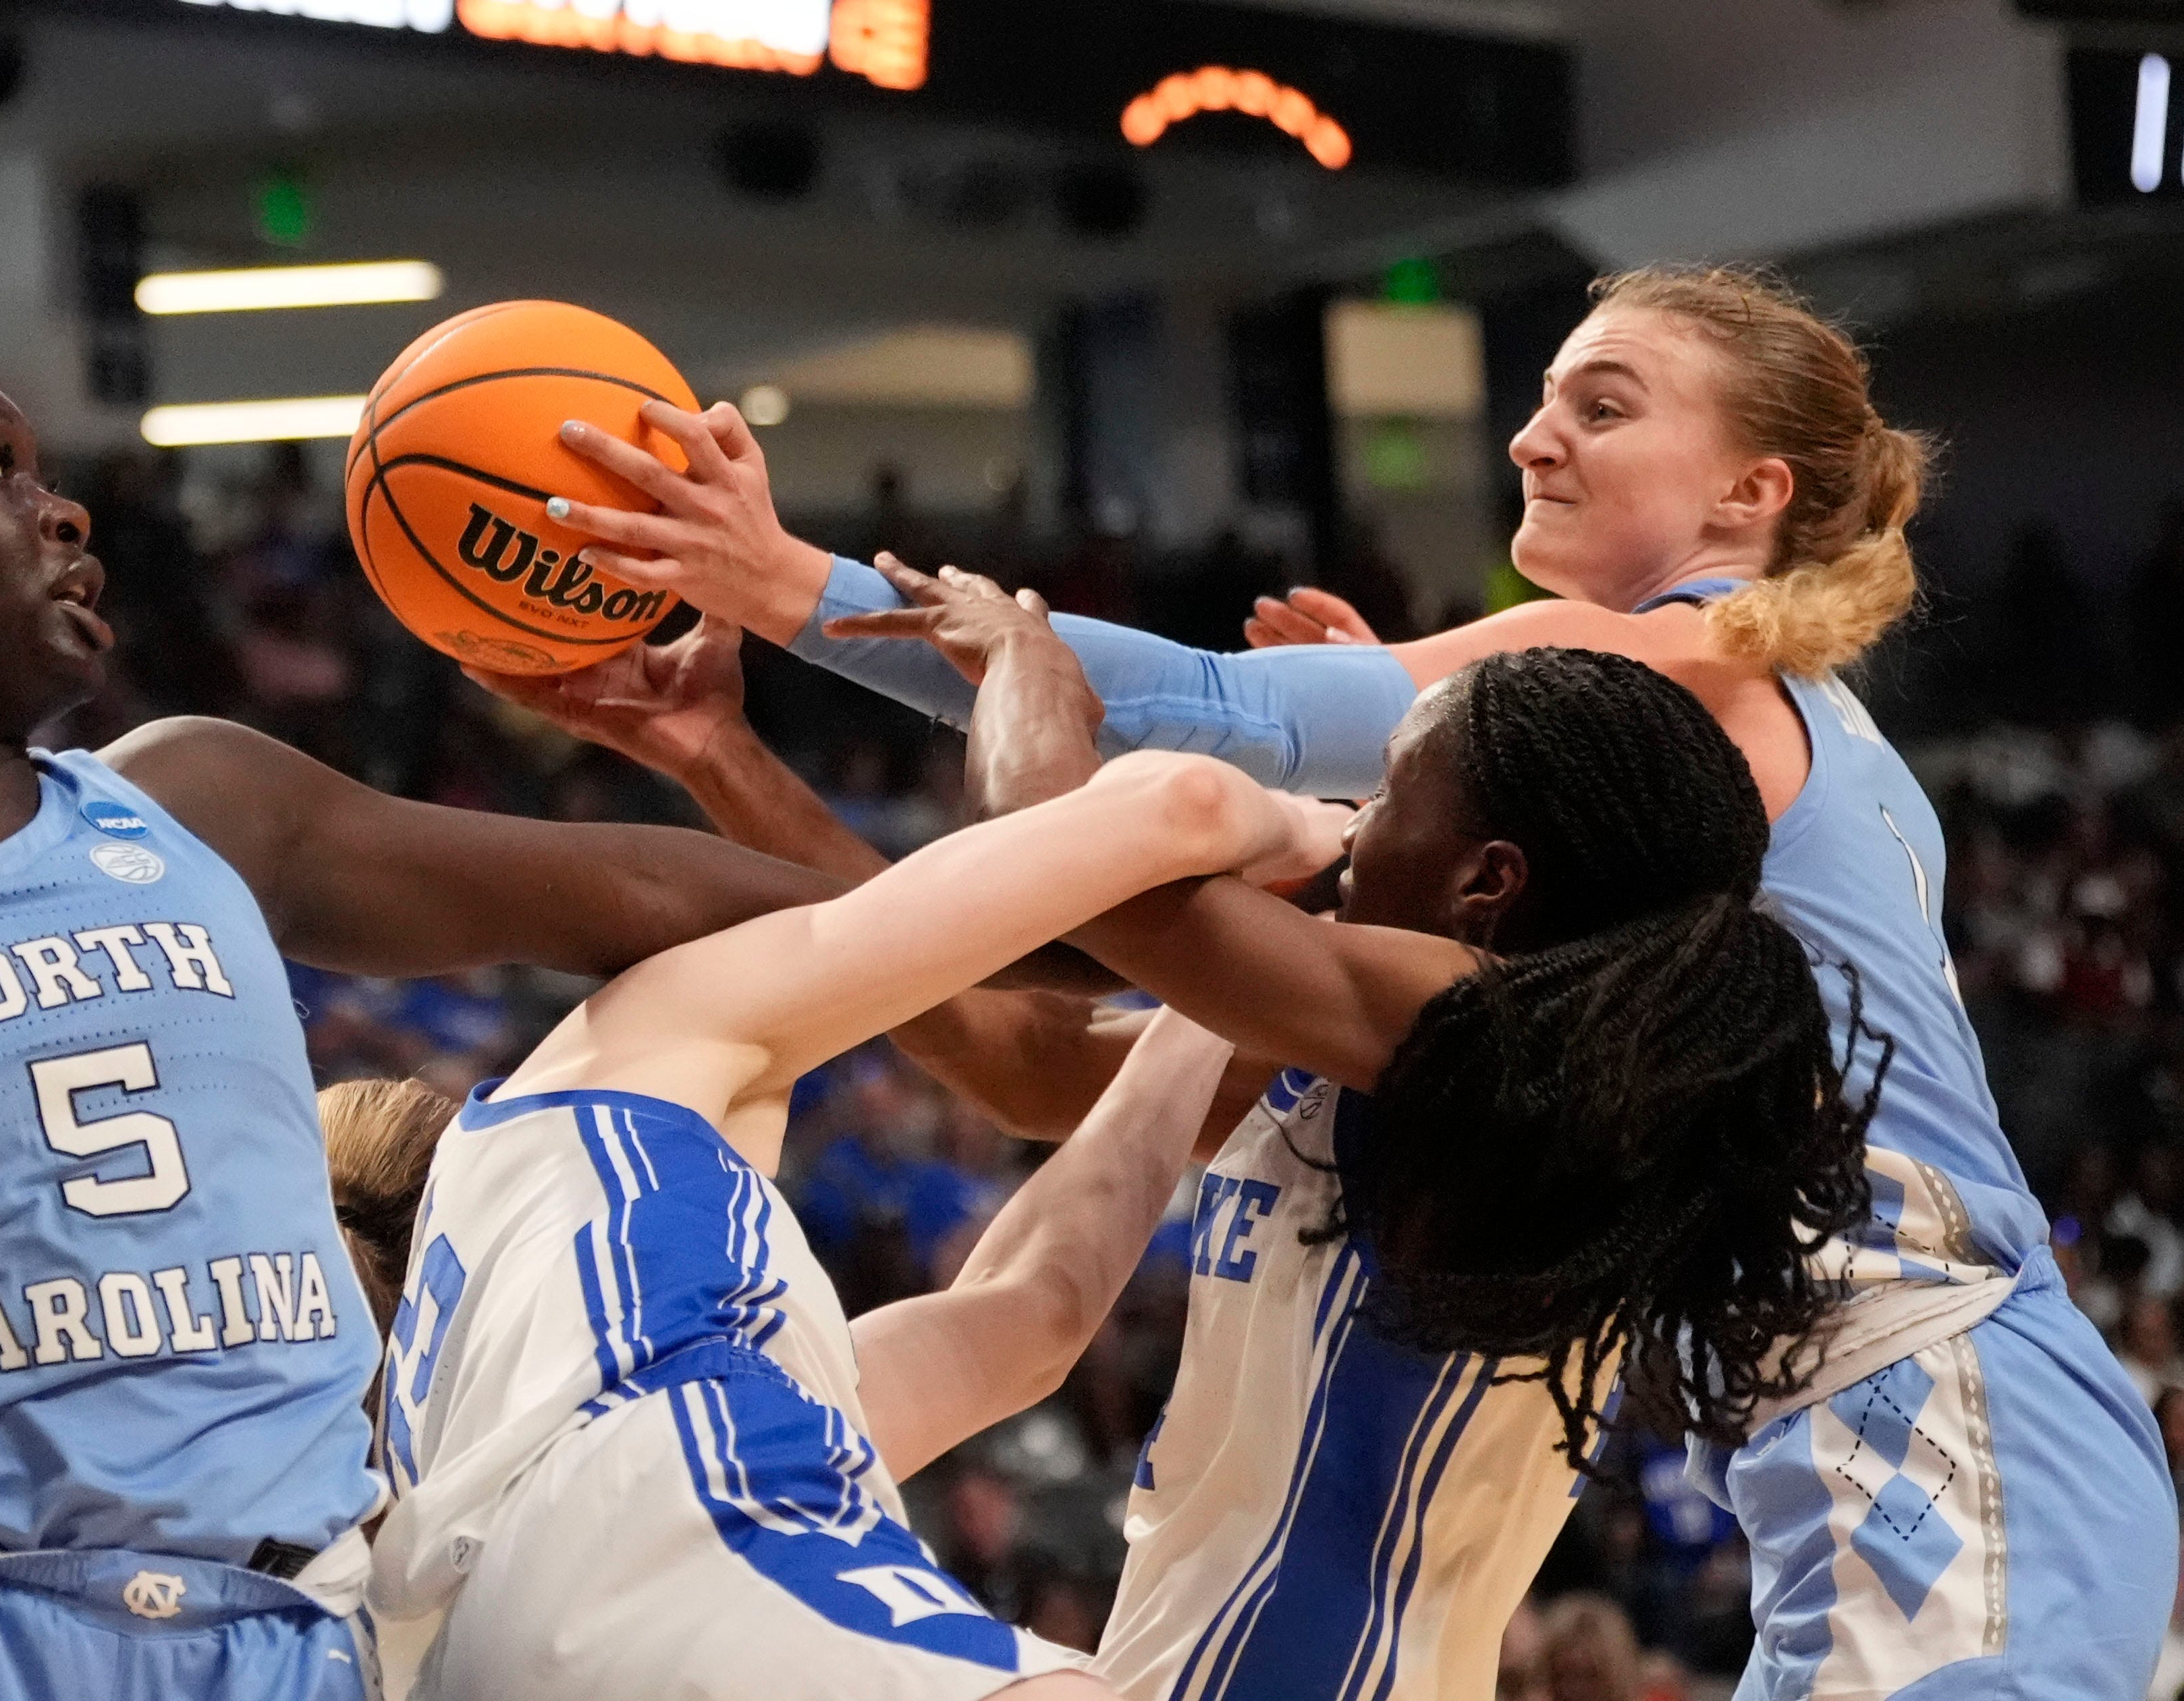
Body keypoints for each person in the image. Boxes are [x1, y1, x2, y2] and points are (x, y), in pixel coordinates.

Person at [537, 263, 2177, 1697]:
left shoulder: (1681, 673)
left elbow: (1194, 722)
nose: (1534, 437)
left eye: (1600, 408)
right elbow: (1020, 1055)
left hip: (1944, 1397)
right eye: (1542, 398)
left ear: (1748, 496)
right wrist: (732, 755)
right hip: (1906, 1412)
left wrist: (780, 585)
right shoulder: (1549, 939)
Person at [0, 349, 971, 1701]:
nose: (64, 506)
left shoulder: (195, 804)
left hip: (289, 1626)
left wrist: (1064, 912)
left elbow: (653, 890)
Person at [483, 622, 1876, 1700]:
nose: (1349, 825)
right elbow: (1004, 1050)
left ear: (1485, 884)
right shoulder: (1369, 1053)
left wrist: (1028, 660)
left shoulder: (1486, 1039)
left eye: (1388, 794)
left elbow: (1054, 815)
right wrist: (719, 753)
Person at [327, 732, 1304, 1697]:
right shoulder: (568, 1099)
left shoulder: (478, 1427)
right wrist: (1315, 828)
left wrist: (1198, 1020)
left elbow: (1032, 1314)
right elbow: (1187, 807)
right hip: (701, 1548)